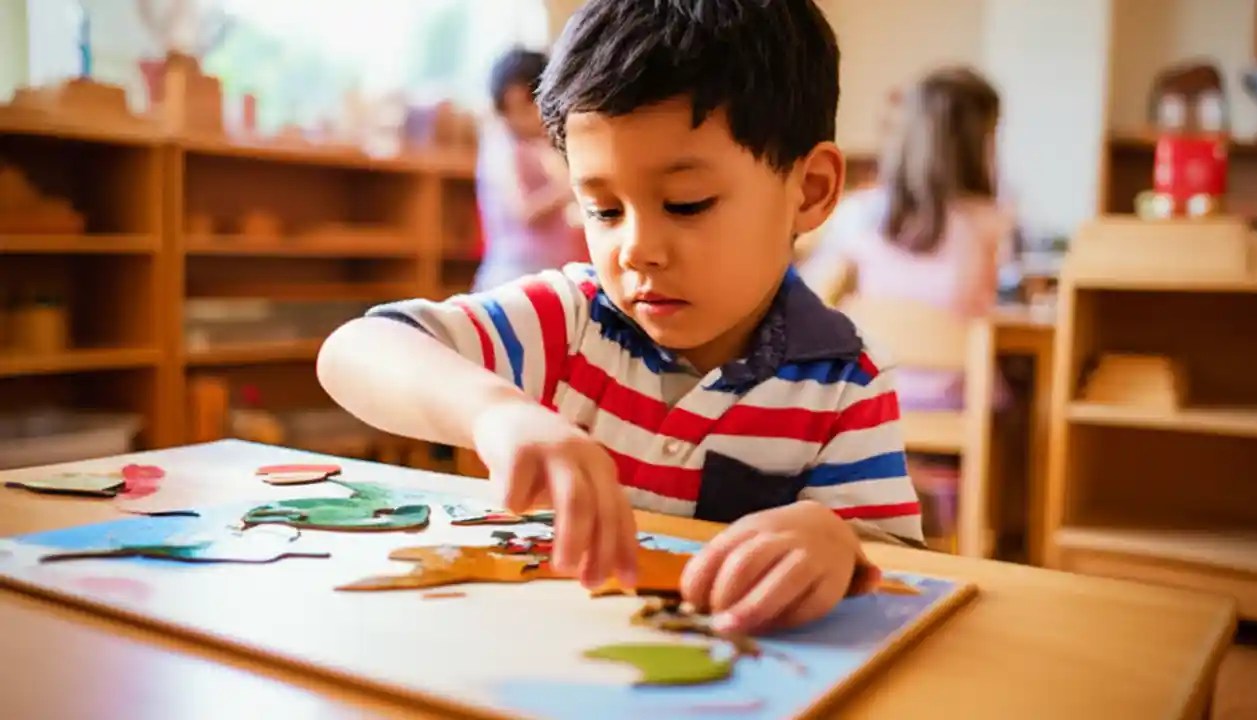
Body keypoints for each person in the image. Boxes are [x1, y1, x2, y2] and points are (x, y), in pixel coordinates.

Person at [317, 0, 922, 635]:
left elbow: (904, 575)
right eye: (603, 210)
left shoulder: (843, 382)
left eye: (686, 204)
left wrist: (836, 542)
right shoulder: (572, 322)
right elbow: (356, 348)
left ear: (811, 189)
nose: (635, 249)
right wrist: (494, 411)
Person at [804, 66, 1013, 411]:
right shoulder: (990, 222)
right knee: (1022, 396)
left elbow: (811, 298)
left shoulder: (859, 213)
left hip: (869, 397)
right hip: (958, 403)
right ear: (981, 143)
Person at [472, 48, 585, 292]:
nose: (525, 119)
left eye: (530, 107)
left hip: (555, 274)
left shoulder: (543, 143)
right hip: (514, 276)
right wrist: (571, 184)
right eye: (515, 111)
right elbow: (523, 210)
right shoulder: (502, 147)